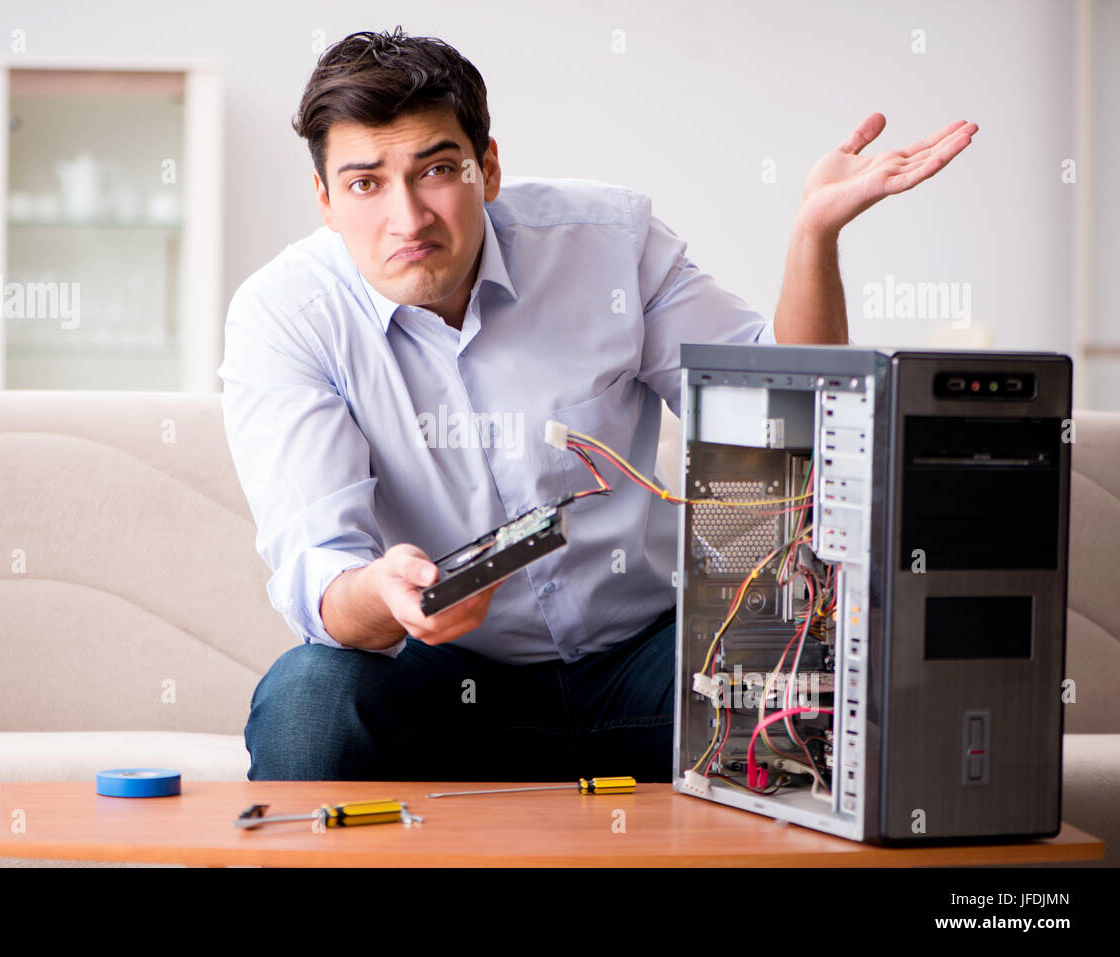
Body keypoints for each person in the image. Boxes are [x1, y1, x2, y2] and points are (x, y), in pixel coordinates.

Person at [218, 27, 976, 783]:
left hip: (653, 673)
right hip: (447, 686)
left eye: (438, 169)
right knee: (307, 700)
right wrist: (389, 598)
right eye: (365, 184)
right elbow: (322, 572)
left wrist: (814, 235)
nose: (409, 218)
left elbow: (789, 421)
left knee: (846, 671)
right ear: (323, 197)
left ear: (488, 168)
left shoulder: (609, 243)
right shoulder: (286, 316)